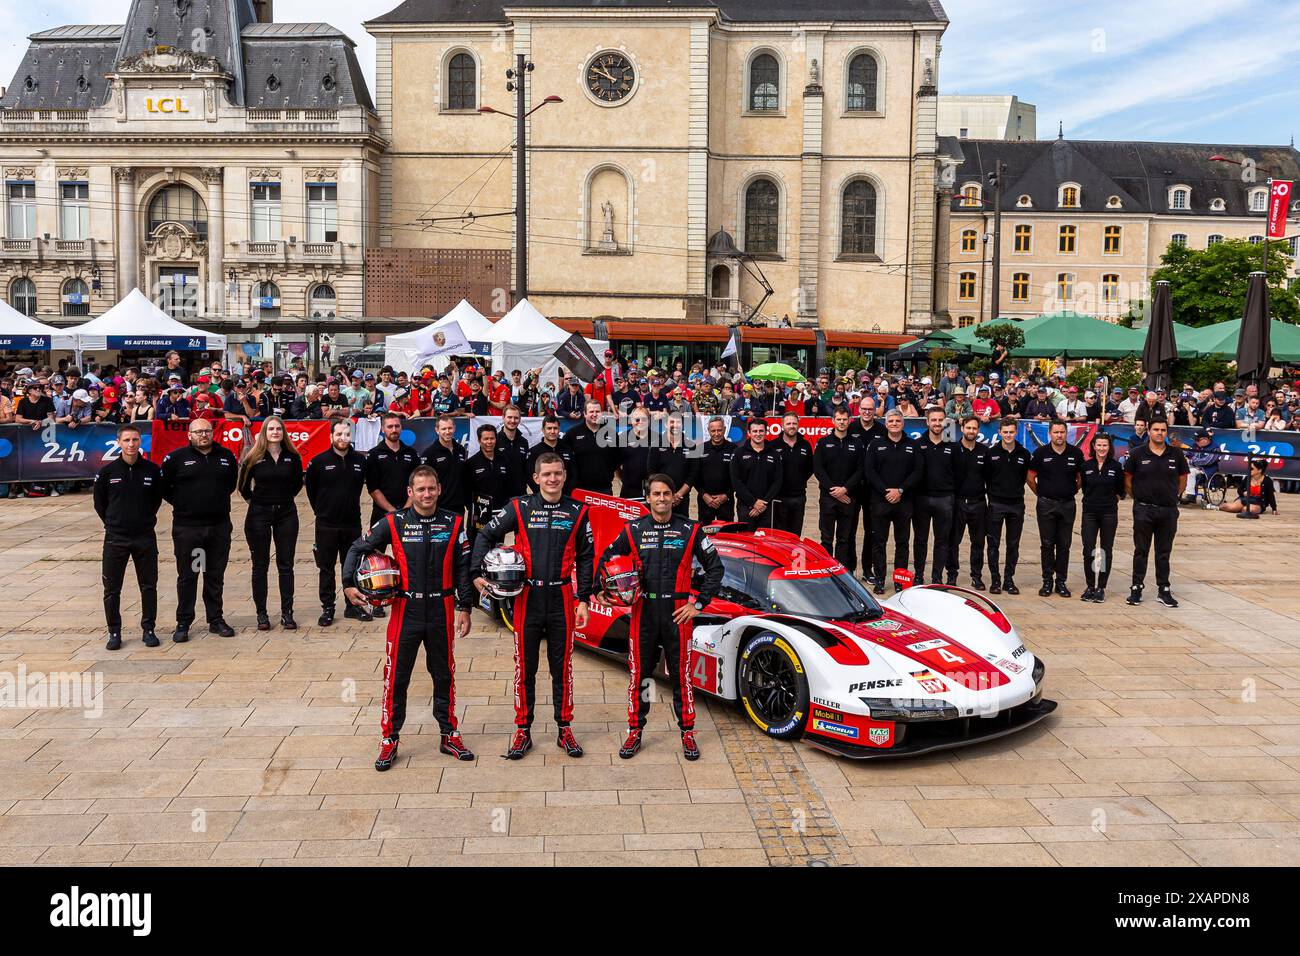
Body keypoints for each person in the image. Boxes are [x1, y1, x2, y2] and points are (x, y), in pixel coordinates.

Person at [343, 466, 475, 770]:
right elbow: (357, 547)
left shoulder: (454, 523)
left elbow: (463, 570)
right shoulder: (394, 522)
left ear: (439, 489)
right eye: (420, 489)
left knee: (444, 675)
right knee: (396, 677)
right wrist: (348, 583)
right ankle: (389, 738)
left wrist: (465, 607)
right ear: (410, 492)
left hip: (442, 610)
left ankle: (449, 733)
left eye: (431, 489)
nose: (426, 494)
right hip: (406, 611)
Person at [471, 453, 593, 759]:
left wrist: (584, 598)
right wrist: (479, 573)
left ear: (565, 476)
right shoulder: (519, 507)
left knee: (561, 668)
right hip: (527, 597)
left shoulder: (578, 511)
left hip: (562, 597)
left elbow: (587, 556)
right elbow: (486, 533)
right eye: (547, 474)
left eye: (558, 473)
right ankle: (522, 731)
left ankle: (564, 729)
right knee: (525, 667)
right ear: (536, 478)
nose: (553, 479)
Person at [597, 474, 724, 760]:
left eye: (667, 493)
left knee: (681, 677)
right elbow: (605, 559)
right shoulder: (633, 530)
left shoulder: (691, 529)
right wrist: (601, 589)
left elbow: (715, 568)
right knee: (642, 677)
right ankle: (635, 731)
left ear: (673, 497)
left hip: (678, 614)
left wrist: (699, 604)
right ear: (648, 498)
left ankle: (687, 733)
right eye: (657, 494)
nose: (662, 498)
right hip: (644, 613)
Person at [159, 418, 239, 641]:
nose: (203, 435)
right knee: (189, 576)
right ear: (189, 435)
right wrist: (186, 504)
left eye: (207, 431)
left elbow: (231, 485)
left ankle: (216, 619)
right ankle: (184, 622)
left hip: (218, 528)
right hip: (189, 530)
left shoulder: (225, 457)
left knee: (214, 575)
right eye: (198, 432)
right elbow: (165, 488)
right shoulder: (176, 459)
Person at [94, 423, 163, 650]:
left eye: (135, 440)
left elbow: (155, 501)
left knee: (148, 585)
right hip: (116, 538)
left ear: (140, 441)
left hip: (144, 537)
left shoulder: (152, 471)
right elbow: (100, 504)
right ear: (119, 443)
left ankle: (149, 629)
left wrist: (142, 520)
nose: (131, 444)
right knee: (112, 589)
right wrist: (115, 523)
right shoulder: (108, 473)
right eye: (126, 440)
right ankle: (114, 632)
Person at [238, 416, 304, 630]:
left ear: (283, 432)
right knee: (260, 565)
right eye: (271, 429)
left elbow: (296, 485)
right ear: (264, 432)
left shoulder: (292, 457)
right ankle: (262, 614)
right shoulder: (253, 457)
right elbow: (244, 487)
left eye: (278, 429)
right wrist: (259, 502)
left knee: (286, 565)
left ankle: (287, 612)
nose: (275, 432)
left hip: (286, 514)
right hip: (259, 514)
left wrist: (281, 499)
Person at [305, 419, 369, 626]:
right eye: (339, 434)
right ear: (331, 436)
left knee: (351, 567)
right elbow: (311, 491)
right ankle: (328, 608)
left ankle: (353, 606)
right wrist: (323, 511)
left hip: (352, 523)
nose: (343, 438)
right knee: (327, 568)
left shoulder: (360, 461)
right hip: (326, 525)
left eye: (347, 434)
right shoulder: (319, 461)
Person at [1124, 419, 1189, 608]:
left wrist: (1171, 496)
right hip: (1144, 509)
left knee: (1163, 552)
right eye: (1156, 430)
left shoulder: (1176, 454)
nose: (1159, 433)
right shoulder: (1137, 453)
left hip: (1168, 510)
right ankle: (1136, 587)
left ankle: (1164, 589)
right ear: (1149, 431)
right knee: (1141, 551)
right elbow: (1127, 479)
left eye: (1163, 430)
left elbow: (1182, 479)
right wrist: (1138, 498)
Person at [863, 409, 923, 594]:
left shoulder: (913, 445)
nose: (895, 424)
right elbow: (869, 471)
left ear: (903, 423)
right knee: (879, 542)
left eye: (898, 421)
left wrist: (901, 490)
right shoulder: (876, 444)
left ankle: (900, 580)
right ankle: (880, 580)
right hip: (880, 502)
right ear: (886, 423)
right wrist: (885, 491)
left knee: (902, 543)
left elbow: (918, 471)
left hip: (904, 502)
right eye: (891, 421)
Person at [1027, 421, 1084, 597]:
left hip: (1067, 504)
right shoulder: (1040, 453)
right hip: (1046, 504)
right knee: (1047, 544)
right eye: (1056, 432)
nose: (1059, 435)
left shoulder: (1075, 453)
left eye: (1062, 432)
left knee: (1064, 545)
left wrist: (1071, 491)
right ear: (1050, 434)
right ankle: (1047, 582)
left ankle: (1061, 582)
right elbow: (1030, 478)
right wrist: (1042, 494)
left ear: (1066, 433)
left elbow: (1080, 478)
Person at [813, 407, 865, 573]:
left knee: (844, 539)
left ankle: (841, 573)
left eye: (844, 419)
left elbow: (860, 470)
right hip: (828, 498)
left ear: (849, 420)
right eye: (839, 419)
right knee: (826, 539)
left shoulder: (857, 444)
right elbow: (818, 469)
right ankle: (826, 571)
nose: (842, 422)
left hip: (848, 498)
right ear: (832, 421)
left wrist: (845, 489)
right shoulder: (823, 442)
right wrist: (833, 490)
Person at [984, 418, 1032, 596]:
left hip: (1016, 504)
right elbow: (987, 478)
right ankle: (995, 580)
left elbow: (1024, 477)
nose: (1008, 435)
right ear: (999, 432)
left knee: (1013, 544)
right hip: (996, 504)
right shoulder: (991, 453)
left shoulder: (1024, 453)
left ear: (1016, 432)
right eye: (1005, 432)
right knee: (993, 544)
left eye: (1011, 432)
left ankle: (1009, 579)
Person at [912, 406, 956, 585]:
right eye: (934, 420)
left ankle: (937, 577)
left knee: (942, 540)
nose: (937, 423)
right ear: (927, 421)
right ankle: (918, 576)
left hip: (945, 499)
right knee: (920, 539)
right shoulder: (917, 444)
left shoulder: (952, 445)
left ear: (945, 422)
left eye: (940, 420)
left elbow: (958, 473)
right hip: (921, 499)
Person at [1079, 432, 1124, 603]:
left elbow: (1120, 490)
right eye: (1099, 445)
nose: (1101, 448)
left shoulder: (1116, 466)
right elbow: (1083, 487)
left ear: (1109, 447)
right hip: (1089, 512)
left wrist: (1110, 501)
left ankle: (1101, 587)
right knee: (1089, 549)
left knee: (1104, 551)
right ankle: (1090, 586)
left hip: (1109, 513)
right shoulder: (1086, 466)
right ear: (1093, 446)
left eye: (1105, 445)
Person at [946, 415, 988, 589]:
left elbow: (989, 477)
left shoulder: (984, 451)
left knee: (978, 542)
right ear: (962, 428)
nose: (971, 431)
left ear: (978, 430)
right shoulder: (953, 450)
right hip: (957, 502)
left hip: (978, 503)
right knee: (952, 541)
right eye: (968, 428)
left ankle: (976, 576)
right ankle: (952, 575)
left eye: (974, 428)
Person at [849, 398, 885, 584]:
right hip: (853, 488)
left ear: (875, 411)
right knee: (849, 529)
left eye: (870, 409)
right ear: (859, 409)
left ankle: (868, 568)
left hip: (874, 490)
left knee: (872, 530)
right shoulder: (851, 427)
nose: (867, 412)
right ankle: (850, 567)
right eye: (864, 408)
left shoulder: (881, 430)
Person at [365, 412, 420, 530]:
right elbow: (373, 489)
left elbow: (416, 484)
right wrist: (393, 511)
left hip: (408, 512)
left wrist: (405, 509)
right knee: (375, 549)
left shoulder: (412, 453)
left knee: (408, 549)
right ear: (382, 429)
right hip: (382, 513)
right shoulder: (374, 454)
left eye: (397, 426)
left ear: (401, 428)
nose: (394, 430)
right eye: (390, 427)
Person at [730, 418, 783, 531]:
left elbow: (778, 480)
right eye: (755, 431)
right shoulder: (739, 453)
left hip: (767, 507)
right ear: (749, 433)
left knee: (765, 543)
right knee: (746, 542)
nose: (758, 434)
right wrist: (753, 502)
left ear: (766, 432)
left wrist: (763, 503)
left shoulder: (774, 454)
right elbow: (736, 481)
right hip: (745, 507)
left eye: (761, 431)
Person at [465, 422, 514, 536]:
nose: (489, 442)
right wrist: (475, 510)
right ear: (479, 440)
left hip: (499, 514)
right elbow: (466, 491)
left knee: (497, 550)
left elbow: (509, 486)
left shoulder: (504, 460)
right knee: (477, 549)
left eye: (492, 438)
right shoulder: (471, 463)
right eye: (486, 439)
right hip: (479, 515)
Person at [562, 400, 617, 495]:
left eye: (597, 411)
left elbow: (618, 459)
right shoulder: (572, 434)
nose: (595, 414)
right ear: (584, 414)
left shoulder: (611, 433)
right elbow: (563, 458)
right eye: (591, 412)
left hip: (605, 489)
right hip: (579, 489)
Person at [646, 412, 696, 516]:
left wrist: (678, 495)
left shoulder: (691, 446)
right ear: (666, 424)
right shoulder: (656, 444)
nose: (675, 425)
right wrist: (664, 495)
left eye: (678, 422)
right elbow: (652, 472)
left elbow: (693, 474)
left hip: (681, 499)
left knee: (682, 531)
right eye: (672, 422)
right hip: (661, 499)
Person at [774, 413, 813, 535]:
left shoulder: (805, 445)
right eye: (788, 423)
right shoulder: (773, 446)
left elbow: (810, 468)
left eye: (794, 423)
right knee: (779, 536)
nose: (792, 426)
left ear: (798, 424)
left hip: (799, 497)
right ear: (782, 425)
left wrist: (799, 479)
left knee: (795, 535)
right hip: (778, 497)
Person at [423, 414, 468, 518]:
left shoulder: (461, 449)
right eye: (443, 429)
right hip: (439, 507)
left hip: (459, 507)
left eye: (450, 428)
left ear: (454, 428)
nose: (447, 432)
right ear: (437, 430)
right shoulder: (429, 453)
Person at [696, 417, 736, 524]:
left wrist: (726, 495)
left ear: (724, 429)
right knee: (704, 534)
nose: (716, 434)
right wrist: (704, 495)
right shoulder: (700, 448)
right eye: (713, 431)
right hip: (705, 501)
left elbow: (737, 477)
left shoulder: (734, 449)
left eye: (719, 430)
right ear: (708, 430)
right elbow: (694, 476)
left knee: (727, 534)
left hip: (726, 501)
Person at [526, 415, 573, 493]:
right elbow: (530, 476)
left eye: (555, 428)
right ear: (543, 430)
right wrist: (542, 494)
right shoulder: (534, 452)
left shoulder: (567, 450)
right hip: (542, 497)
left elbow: (573, 474)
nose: (552, 431)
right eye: (549, 428)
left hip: (564, 496)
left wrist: (565, 493)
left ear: (559, 430)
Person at [617, 408, 654, 500]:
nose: (640, 422)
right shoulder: (622, 438)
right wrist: (623, 479)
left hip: (651, 490)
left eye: (644, 419)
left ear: (649, 420)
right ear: (631, 421)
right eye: (637, 419)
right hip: (629, 490)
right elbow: (616, 465)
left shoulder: (658, 439)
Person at [495, 406, 531, 498]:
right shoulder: (494, 441)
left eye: (516, 418)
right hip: (499, 495)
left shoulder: (524, 442)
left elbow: (526, 468)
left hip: (520, 494)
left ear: (519, 420)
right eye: (509, 417)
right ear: (503, 418)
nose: (513, 420)